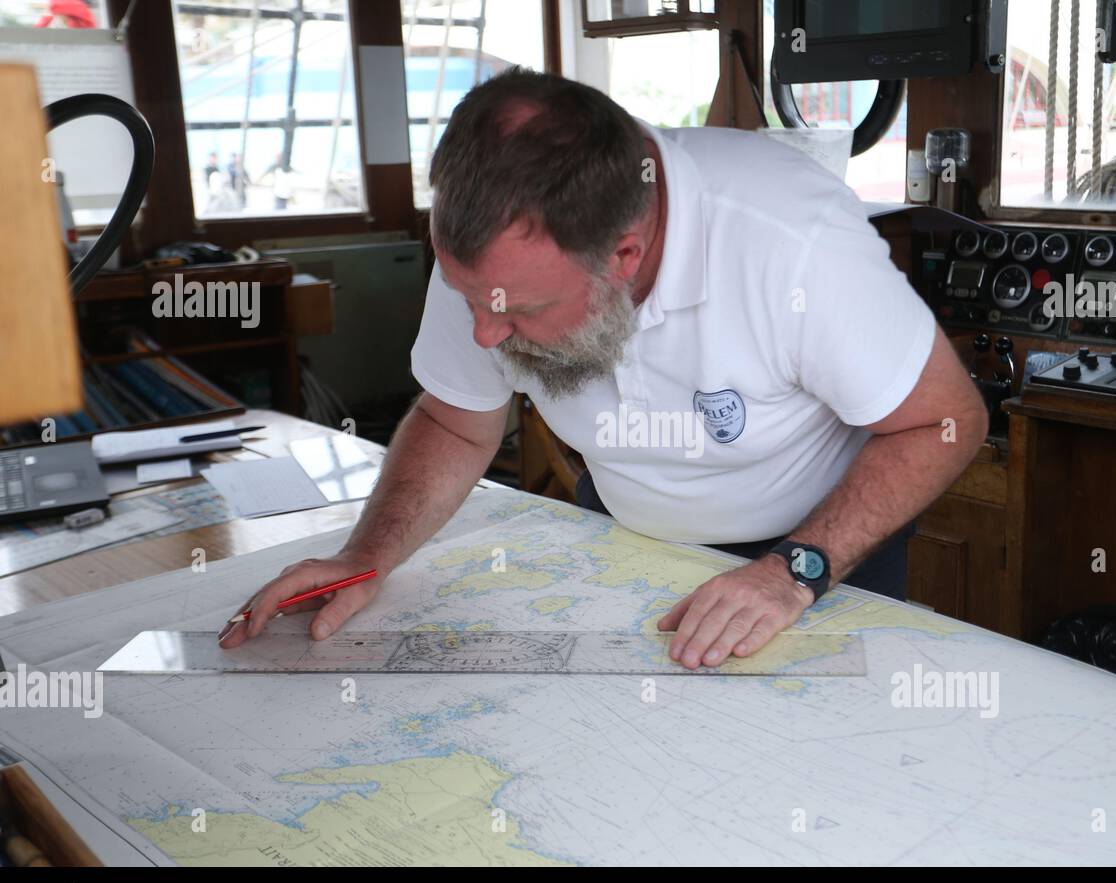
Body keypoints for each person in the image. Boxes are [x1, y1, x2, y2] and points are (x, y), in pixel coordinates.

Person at [218, 68, 987, 669]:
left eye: (517, 313)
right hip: (623, 536)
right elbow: (456, 419)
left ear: (624, 253)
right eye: (468, 297)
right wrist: (364, 558)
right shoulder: (500, 255)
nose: (486, 335)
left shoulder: (793, 240)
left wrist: (793, 572)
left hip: (817, 551)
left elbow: (945, 422)